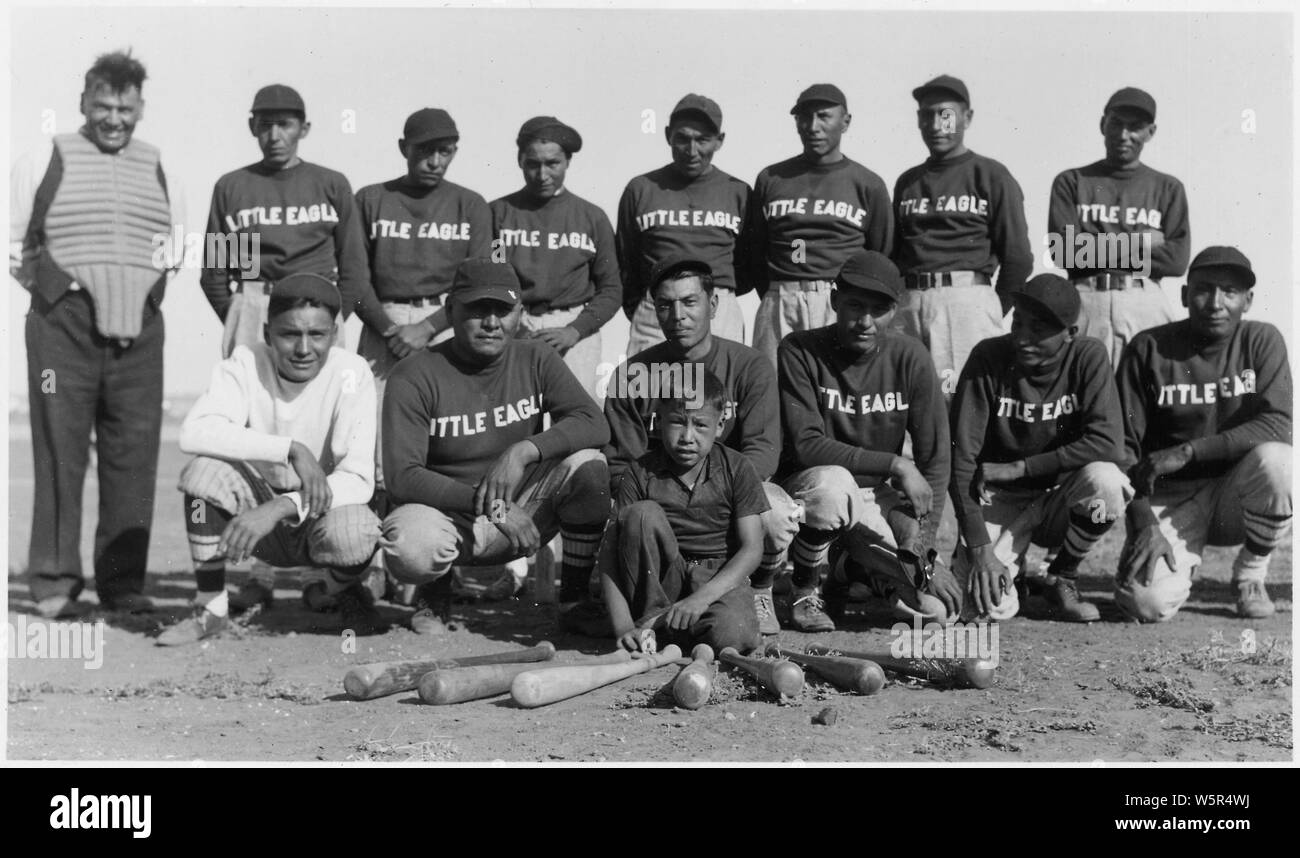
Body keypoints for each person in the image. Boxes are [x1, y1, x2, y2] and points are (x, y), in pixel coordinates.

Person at [10, 50, 182, 617]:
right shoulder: (45, 155)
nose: (114, 119)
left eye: (125, 108)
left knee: (133, 455)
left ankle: (122, 584)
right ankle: (55, 582)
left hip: (139, 332)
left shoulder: (159, 163)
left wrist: (145, 295)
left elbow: (174, 249)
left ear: (140, 107)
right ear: (84, 101)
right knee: (60, 451)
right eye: (103, 106)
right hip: (65, 329)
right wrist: (59, 293)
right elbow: (18, 245)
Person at [378, 258, 611, 635]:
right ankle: (433, 594)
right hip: (456, 520)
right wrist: (494, 507)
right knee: (410, 543)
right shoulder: (414, 373)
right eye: (477, 309)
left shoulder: (535, 356)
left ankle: (574, 600)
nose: (491, 323)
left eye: (502, 310)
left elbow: (593, 422)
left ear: (518, 313)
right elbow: (402, 477)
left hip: (526, 517)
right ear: (451, 310)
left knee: (589, 465)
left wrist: (523, 451)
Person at [158, 273, 384, 645]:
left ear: (334, 335)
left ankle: (339, 589)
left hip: (317, 515)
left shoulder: (351, 372)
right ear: (267, 332)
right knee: (202, 473)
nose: (304, 348)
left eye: (318, 335)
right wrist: (289, 448)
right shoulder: (245, 361)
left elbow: (358, 478)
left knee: (358, 530)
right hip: (257, 519)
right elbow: (194, 432)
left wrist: (280, 506)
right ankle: (211, 608)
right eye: (290, 334)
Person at [603, 254, 800, 636]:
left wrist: (717, 492)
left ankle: (757, 588)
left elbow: (763, 451)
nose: (678, 315)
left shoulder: (749, 365)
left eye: (689, 302)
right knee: (633, 512)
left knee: (774, 510)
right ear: (654, 310)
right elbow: (621, 462)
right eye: (665, 304)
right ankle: (649, 609)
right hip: (662, 504)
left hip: (729, 502)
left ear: (712, 305)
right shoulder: (632, 375)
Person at [776, 249, 960, 632]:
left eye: (879, 310)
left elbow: (937, 461)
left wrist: (922, 549)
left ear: (896, 310)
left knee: (937, 611)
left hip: (874, 498)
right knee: (834, 487)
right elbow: (808, 444)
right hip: (811, 493)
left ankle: (852, 569)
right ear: (834, 301)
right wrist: (895, 463)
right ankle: (805, 589)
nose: (865, 321)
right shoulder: (799, 349)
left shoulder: (910, 355)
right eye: (854, 306)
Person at [1114, 246, 1291, 622]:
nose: (1215, 303)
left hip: (1235, 494)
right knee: (1146, 604)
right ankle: (1182, 562)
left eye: (1229, 291)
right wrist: (1143, 521)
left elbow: (1278, 423)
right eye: (1204, 289)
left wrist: (1189, 451)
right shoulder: (1148, 347)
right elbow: (1121, 445)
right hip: (1171, 498)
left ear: (1248, 300)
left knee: (1280, 461)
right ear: (1183, 295)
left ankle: (1250, 575)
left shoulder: (1261, 340)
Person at [949, 274, 1131, 623]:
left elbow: (1109, 442)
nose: (1023, 336)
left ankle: (1062, 575)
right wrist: (981, 551)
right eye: (1018, 321)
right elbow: (961, 459)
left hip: (1060, 499)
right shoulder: (989, 356)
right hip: (999, 498)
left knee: (1107, 484)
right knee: (983, 608)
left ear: (1070, 333)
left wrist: (1022, 467)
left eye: (1040, 328)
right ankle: (1016, 578)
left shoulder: (1088, 356)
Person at [200, 84, 376, 358]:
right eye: (266, 125)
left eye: (285, 125)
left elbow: (354, 267)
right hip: (254, 303)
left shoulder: (331, 184)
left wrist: (331, 317)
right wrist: (239, 313)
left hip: (315, 302)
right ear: (252, 127)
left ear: (303, 129)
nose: (274, 136)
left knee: (317, 397)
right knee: (252, 397)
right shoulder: (233, 186)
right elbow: (214, 271)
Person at [603, 372, 764, 655]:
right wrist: (622, 627)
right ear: (658, 422)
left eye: (700, 425)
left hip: (717, 579)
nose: (687, 437)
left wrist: (701, 599)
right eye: (677, 421)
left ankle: (669, 631)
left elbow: (752, 548)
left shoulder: (737, 468)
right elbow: (609, 555)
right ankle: (653, 623)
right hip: (663, 583)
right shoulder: (640, 473)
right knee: (642, 514)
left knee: (735, 636)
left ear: (720, 426)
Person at [891, 74, 1033, 392]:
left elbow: (1018, 258)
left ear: (967, 118)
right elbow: (896, 254)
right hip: (911, 301)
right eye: (927, 115)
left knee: (960, 398)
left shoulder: (991, 175)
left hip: (965, 299)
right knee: (906, 402)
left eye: (946, 115)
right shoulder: (908, 181)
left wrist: (990, 306)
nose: (936, 125)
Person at [751, 83, 894, 368]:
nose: (813, 126)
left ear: (846, 121)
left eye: (824, 116)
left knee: (838, 390)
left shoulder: (867, 183)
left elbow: (882, 253)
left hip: (839, 303)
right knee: (771, 389)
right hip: (781, 298)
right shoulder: (771, 178)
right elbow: (755, 251)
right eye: (804, 117)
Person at [1048, 87, 1190, 367]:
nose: (1124, 135)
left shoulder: (1167, 187)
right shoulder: (1072, 181)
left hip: (1142, 300)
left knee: (1149, 398)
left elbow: (1175, 261)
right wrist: (1139, 241)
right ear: (1103, 125)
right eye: (1116, 123)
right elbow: (1064, 253)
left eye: (1135, 127)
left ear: (1151, 132)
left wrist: (1092, 248)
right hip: (1086, 300)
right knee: (1082, 395)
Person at [489, 116, 621, 402]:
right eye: (533, 164)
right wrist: (512, 316)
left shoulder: (591, 218)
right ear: (520, 160)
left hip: (574, 328)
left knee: (577, 418)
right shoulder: (500, 215)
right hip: (516, 324)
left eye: (552, 163)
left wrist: (575, 330)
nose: (542, 174)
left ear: (568, 162)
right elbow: (494, 273)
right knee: (513, 417)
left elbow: (611, 289)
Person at [617, 94, 758, 354]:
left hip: (718, 308)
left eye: (703, 139)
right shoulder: (641, 189)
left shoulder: (738, 191)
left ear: (719, 141)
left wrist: (716, 295)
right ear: (668, 135)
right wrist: (648, 304)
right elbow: (626, 261)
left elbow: (750, 266)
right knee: (651, 391)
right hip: (658, 305)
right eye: (683, 138)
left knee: (721, 389)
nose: (692, 150)